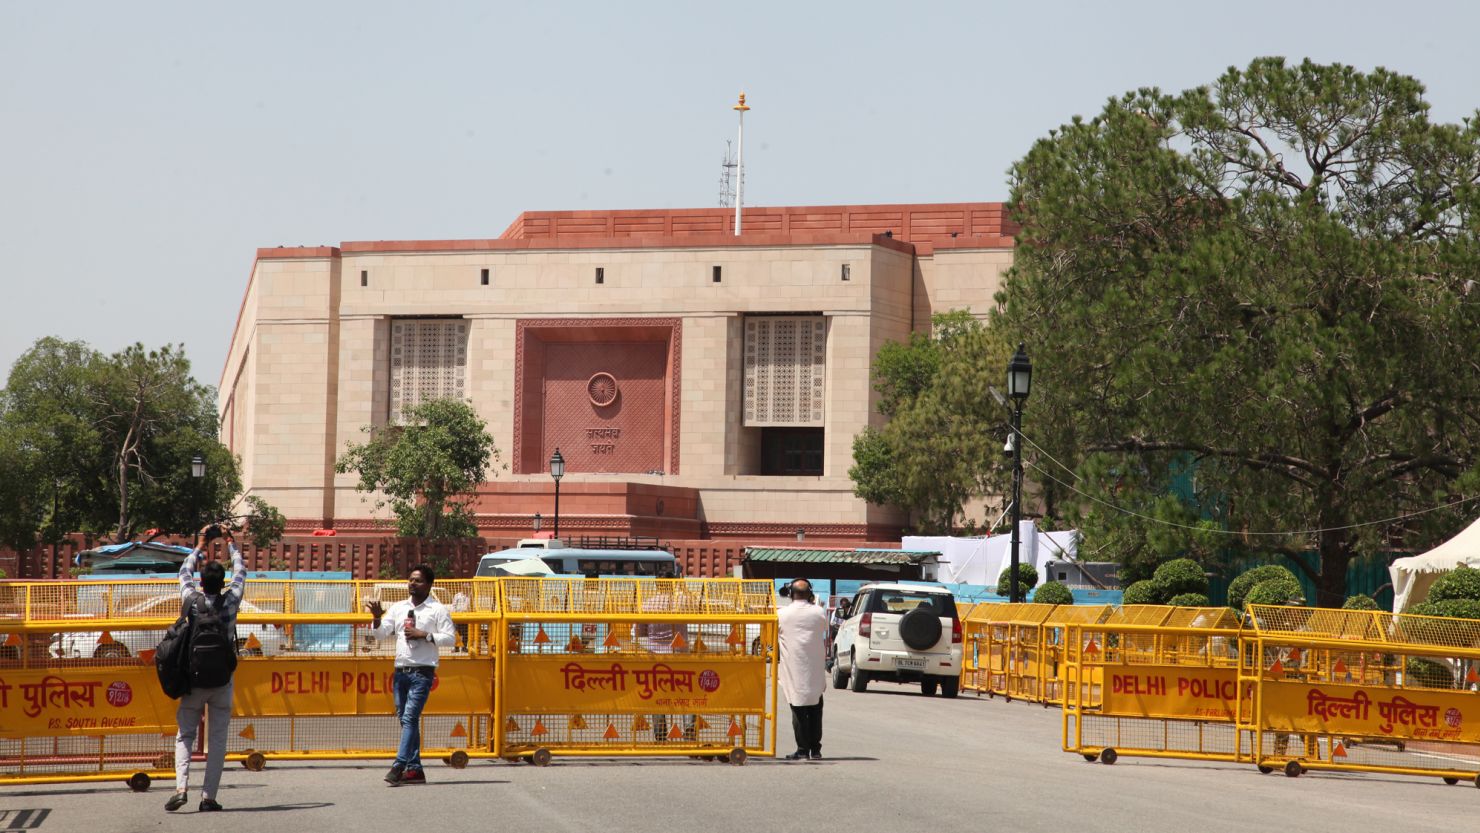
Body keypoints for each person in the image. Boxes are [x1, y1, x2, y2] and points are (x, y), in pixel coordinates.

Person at [167, 523, 247, 813]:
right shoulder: (231, 600)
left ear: (202, 580)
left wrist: (199, 545)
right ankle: (208, 797)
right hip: (222, 681)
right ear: (222, 580)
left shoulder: (191, 598)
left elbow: (183, 572)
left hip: (194, 679)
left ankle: (181, 788)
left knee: (185, 735)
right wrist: (230, 543)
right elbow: (241, 571)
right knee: (217, 740)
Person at [366, 563, 456, 786]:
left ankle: (398, 766)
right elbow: (379, 633)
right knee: (407, 721)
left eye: (418, 580)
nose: (412, 584)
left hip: (422, 673)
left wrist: (424, 635)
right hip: (400, 672)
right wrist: (377, 617)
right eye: (410, 580)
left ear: (429, 585)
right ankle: (415, 770)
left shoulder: (437, 609)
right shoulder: (398, 608)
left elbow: (450, 638)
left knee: (409, 718)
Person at [777, 577, 828, 761]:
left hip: (793, 668)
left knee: (798, 709)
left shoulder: (782, 613)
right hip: (814, 669)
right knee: (815, 709)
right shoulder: (818, 612)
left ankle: (802, 749)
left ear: (791, 593)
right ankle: (815, 750)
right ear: (810, 593)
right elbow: (823, 627)